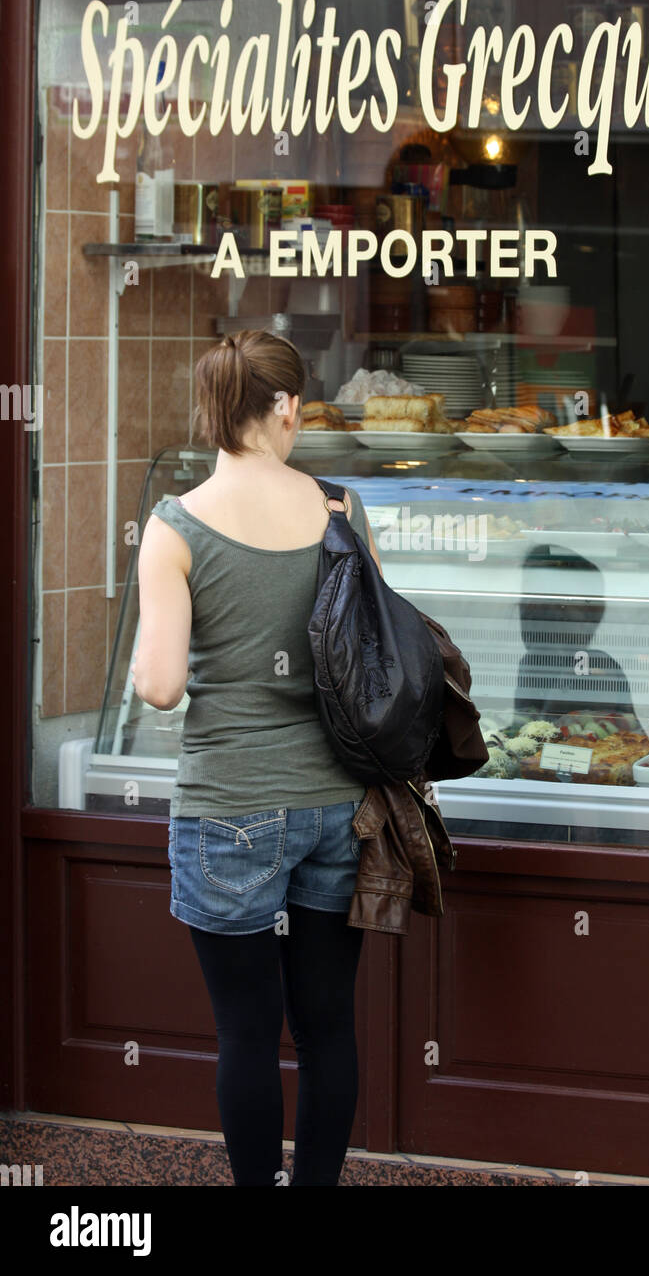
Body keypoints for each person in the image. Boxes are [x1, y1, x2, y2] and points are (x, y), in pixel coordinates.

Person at [132, 329, 383, 1187]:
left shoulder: (175, 527)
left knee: (245, 1031)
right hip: (340, 804)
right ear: (284, 408)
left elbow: (160, 687)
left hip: (229, 805)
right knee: (326, 1026)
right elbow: (373, 656)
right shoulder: (343, 510)